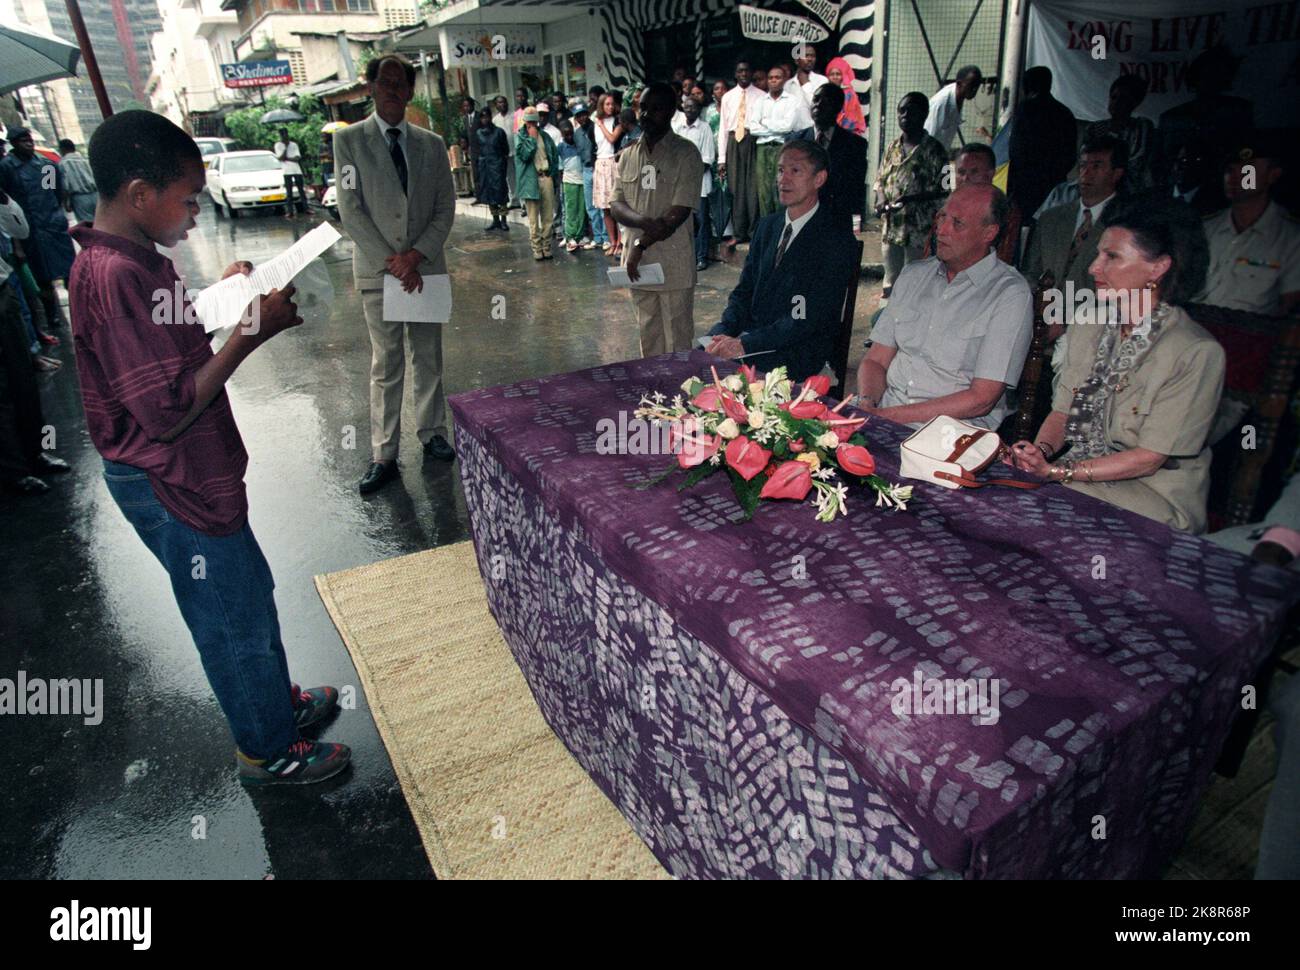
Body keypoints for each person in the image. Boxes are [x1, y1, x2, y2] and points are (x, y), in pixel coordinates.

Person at [70, 110, 350, 784]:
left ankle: (272, 707)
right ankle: (268, 748)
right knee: (230, 618)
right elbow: (165, 411)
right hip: (171, 477)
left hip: (194, 474)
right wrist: (250, 333)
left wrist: (225, 294)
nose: (197, 212)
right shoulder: (113, 275)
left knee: (247, 592)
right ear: (140, 194)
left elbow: (166, 340)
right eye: (188, 198)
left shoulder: (131, 262)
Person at [1007, 196, 1224, 534]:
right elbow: (1064, 412)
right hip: (1079, 479)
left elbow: (1149, 458)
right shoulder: (1090, 323)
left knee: (1037, 516)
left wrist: (1058, 474)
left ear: (1158, 267)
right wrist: (1039, 453)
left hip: (1154, 499)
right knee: (1011, 501)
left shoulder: (1194, 352)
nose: (1094, 267)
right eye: (1098, 254)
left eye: (1111, 257)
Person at [334, 53, 457, 496]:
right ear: (370, 88)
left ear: (409, 90)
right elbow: (351, 210)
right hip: (379, 273)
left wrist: (417, 256)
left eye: (398, 83)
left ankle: (433, 434)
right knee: (386, 364)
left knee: (429, 357)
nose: (390, 90)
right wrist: (394, 261)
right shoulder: (348, 142)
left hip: (424, 270)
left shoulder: (432, 144)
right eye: (382, 82)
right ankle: (383, 453)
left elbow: (446, 207)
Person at [856, 184, 1033, 431]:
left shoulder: (1009, 294)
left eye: (958, 223)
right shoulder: (913, 275)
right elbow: (876, 360)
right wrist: (867, 404)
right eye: (942, 217)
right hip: (885, 413)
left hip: (953, 432)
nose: (941, 230)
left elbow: (982, 399)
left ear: (988, 233)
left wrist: (889, 416)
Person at [705, 141, 856, 380]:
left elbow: (806, 314)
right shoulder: (768, 226)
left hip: (797, 349)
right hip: (755, 339)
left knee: (723, 378)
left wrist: (745, 343)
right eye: (780, 170)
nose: (783, 180)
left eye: (795, 171)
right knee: (700, 357)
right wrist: (724, 330)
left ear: (819, 179)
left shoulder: (833, 237)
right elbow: (745, 290)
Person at [610, 82, 704, 356]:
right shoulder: (628, 155)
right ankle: (654, 396)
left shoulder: (686, 154)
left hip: (671, 262)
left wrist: (641, 245)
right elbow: (616, 204)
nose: (646, 115)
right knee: (648, 337)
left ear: (672, 111)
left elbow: (678, 213)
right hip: (638, 267)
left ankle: (681, 397)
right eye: (642, 108)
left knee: (678, 340)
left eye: (656, 109)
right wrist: (644, 222)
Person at [1024, 134, 1128, 373]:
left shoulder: (1126, 224)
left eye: (1097, 166)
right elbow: (1031, 272)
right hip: (1039, 325)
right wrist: (1042, 309)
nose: (1086, 174)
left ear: (1117, 173)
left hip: (1093, 336)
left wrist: (1067, 320)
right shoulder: (1051, 218)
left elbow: (1121, 293)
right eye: (1083, 165)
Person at [0, 183, 70, 494]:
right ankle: (13, 471)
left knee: (24, 382)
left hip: (2, 294)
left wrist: (3, 198)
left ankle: (37, 451)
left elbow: (20, 229)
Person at [1200, 133, 1300, 317]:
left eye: (1247, 171)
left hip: (1250, 338)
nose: (1235, 177)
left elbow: (1290, 312)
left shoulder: (1291, 239)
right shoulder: (1205, 228)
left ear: (1273, 175)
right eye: (1229, 170)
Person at [0, 127, 74, 334]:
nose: (28, 143)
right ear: (13, 144)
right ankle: (53, 315)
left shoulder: (44, 166)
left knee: (69, 271)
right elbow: (6, 205)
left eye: (29, 139)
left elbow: (53, 193)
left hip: (52, 225)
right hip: (29, 231)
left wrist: (55, 217)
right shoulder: (6, 168)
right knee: (42, 278)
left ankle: (80, 306)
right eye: (22, 140)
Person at [874, 92, 948, 297]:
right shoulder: (891, 147)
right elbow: (880, 180)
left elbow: (946, 191)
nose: (905, 116)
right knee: (891, 283)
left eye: (911, 111)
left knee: (915, 285)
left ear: (924, 115)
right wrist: (880, 200)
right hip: (891, 229)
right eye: (901, 111)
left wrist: (911, 199)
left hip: (919, 232)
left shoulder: (937, 150)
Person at [1155, 46, 1254, 186]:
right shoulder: (1172, 118)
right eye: (1206, 75)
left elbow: (1248, 155)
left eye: (1218, 76)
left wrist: (1247, 188)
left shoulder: (1238, 112)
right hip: (1179, 191)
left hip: (1221, 189)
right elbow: (1160, 162)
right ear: (1196, 77)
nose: (1211, 82)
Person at [790, 83, 867, 236]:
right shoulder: (795, 141)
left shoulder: (855, 145)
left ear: (838, 107)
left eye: (825, 101)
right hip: (801, 222)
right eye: (815, 100)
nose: (818, 105)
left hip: (836, 224)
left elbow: (855, 188)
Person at [1007, 66, 1077, 221]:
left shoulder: (1025, 110)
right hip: (1054, 184)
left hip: (1026, 184)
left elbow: (1015, 150)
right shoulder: (1065, 113)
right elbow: (1071, 155)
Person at [753, 66, 813, 218]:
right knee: (763, 191)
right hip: (762, 148)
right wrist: (774, 127)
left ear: (784, 80)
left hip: (782, 147)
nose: (774, 80)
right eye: (771, 78)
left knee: (781, 187)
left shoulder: (792, 101)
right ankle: (766, 226)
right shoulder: (760, 101)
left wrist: (765, 122)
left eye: (777, 77)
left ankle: (782, 225)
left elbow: (787, 127)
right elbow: (753, 127)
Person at [718, 60, 765, 248]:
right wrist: (722, 158)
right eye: (740, 71)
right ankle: (739, 232)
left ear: (751, 73)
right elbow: (723, 128)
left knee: (753, 188)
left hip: (753, 140)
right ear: (735, 74)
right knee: (736, 189)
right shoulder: (728, 97)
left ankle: (754, 231)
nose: (744, 74)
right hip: (733, 142)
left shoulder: (761, 96)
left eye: (747, 70)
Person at [948, 143, 1020, 264]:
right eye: (961, 172)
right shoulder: (946, 210)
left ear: (991, 174)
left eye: (974, 172)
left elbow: (1004, 258)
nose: (965, 178)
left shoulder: (1005, 212)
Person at [1086, 74, 1156, 191]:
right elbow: (1088, 162)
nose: (1116, 103)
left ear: (1135, 102)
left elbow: (1137, 164)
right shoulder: (1094, 128)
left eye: (1124, 99)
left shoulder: (1141, 127)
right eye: (1113, 97)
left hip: (1133, 190)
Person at [677, 94, 716, 271]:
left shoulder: (704, 128)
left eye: (693, 107)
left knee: (701, 222)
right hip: (682, 186)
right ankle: (688, 256)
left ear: (699, 109)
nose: (689, 109)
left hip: (699, 184)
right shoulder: (678, 129)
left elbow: (708, 158)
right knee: (685, 223)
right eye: (687, 106)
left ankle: (701, 257)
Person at [515, 108, 559, 261]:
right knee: (533, 218)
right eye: (529, 122)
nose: (531, 125)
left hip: (545, 177)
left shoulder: (545, 136)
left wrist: (553, 176)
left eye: (534, 121)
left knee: (548, 216)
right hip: (530, 180)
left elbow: (554, 156)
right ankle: (536, 247)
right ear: (525, 121)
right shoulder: (520, 137)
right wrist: (531, 140)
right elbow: (524, 156)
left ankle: (547, 246)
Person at [592, 93, 624, 257]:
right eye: (607, 104)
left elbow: (612, 139)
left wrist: (601, 124)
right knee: (605, 208)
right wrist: (598, 122)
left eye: (612, 104)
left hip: (613, 162)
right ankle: (612, 241)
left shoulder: (617, 121)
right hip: (600, 163)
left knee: (615, 206)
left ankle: (620, 242)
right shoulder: (596, 122)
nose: (610, 107)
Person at [925, 65, 982, 151]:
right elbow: (928, 139)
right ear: (959, 84)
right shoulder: (941, 104)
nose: (974, 89)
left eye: (977, 86)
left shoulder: (959, 96)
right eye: (971, 85)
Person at [1168, 139, 1226, 217]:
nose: (1178, 167)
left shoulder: (1215, 205)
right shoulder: (1155, 197)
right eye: (1176, 160)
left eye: (1185, 161)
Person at [476, 106, 510, 231]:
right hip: (485, 166)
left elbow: (505, 149)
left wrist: (501, 163)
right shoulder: (479, 133)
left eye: (487, 117)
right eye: (482, 117)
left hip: (497, 164)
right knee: (489, 193)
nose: (485, 119)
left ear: (491, 117)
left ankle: (504, 220)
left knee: (501, 192)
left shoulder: (499, 132)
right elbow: (478, 150)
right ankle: (495, 220)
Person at [557, 121, 586, 253]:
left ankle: (579, 236)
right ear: (562, 135)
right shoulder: (561, 148)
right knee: (570, 210)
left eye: (570, 134)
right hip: (569, 181)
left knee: (581, 209)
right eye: (566, 135)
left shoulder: (578, 144)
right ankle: (570, 237)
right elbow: (560, 167)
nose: (569, 137)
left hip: (581, 180)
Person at [824, 57, 867, 138]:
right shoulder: (824, 92)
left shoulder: (849, 94)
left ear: (842, 76)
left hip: (847, 133)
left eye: (838, 74)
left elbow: (852, 116)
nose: (835, 77)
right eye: (832, 74)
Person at [57, 139, 97, 223]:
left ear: (62, 149)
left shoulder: (63, 164)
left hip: (79, 198)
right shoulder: (85, 160)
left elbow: (65, 186)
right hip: (95, 194)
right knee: (100, 221)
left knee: (87, 225)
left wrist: (66, 203)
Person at [273, 127, 305, 218]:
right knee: (289, 192)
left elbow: (297, 158)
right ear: (280, 136)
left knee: (301, 190)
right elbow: (280, 158)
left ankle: (306, 208)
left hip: (297, 170)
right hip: (287, 171)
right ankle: (290, 211)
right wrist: (286, 148)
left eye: (285, 134)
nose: (284, 136)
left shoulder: (294, 144)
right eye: (282, 135)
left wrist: (287, 158)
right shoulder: (278, 145)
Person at [457, 97, 482, 200]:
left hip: (481, 149)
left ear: (472, 105)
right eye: (465, 106)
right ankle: (478, 196)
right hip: (472, 150)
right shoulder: (465, 118)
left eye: (468, 105)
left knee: (483, 173)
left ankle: (486, 195)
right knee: (475, 173)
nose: (466, 108)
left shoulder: (479, 116)